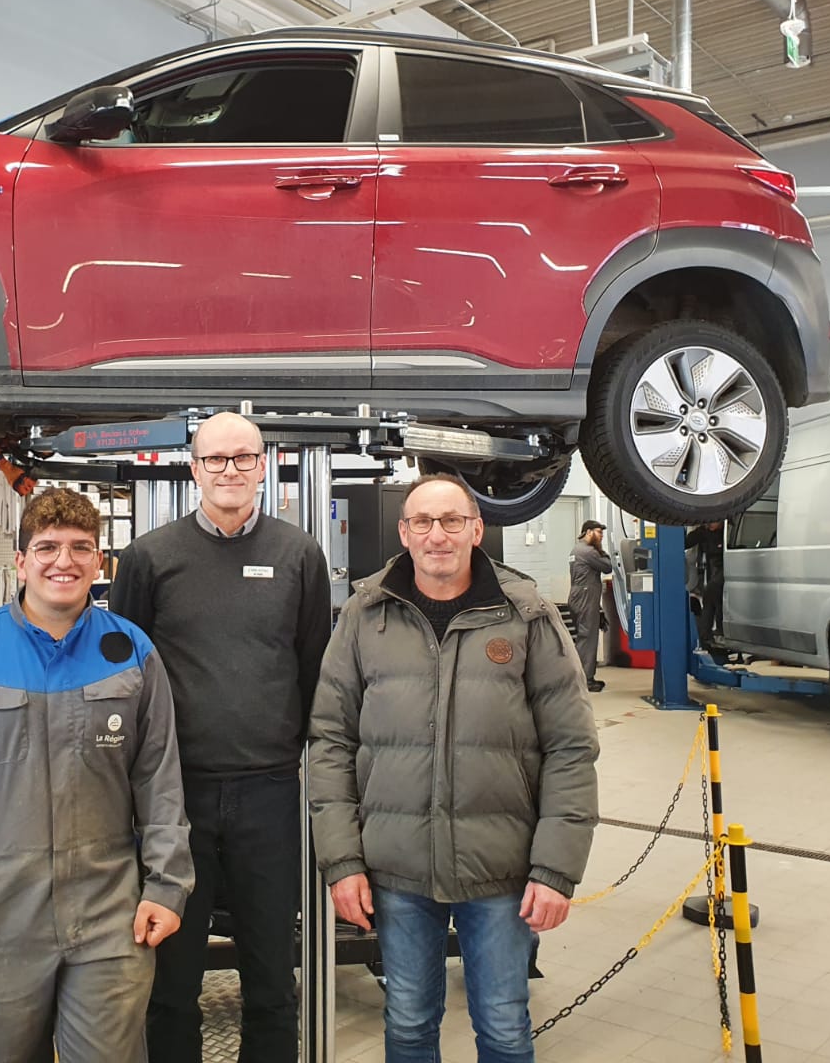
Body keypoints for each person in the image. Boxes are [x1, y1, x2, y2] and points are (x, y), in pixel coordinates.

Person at [308, 474, 600, 1063]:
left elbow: (571, 747)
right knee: (410, 1023)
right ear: (404, 532)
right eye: (422, 522)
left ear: (476, 529)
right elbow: (330, 742)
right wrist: (342, 862)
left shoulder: (527, 616)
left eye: (450, 521)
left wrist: (554, 869)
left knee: (503, 1026)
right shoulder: (366, 617)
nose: (436, 535)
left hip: (502, 871)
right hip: (397, 870)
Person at [0, 487, 193, 1063]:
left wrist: (166, 885)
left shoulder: (131, 652)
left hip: (110, 910)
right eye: (47, 547)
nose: (64, 561)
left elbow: (159, 778)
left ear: (99, 562)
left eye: (81, 548)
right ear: (21, 561)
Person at [110, 411, 332, 1062]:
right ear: (193, 466)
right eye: (215, 459)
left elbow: (314, 667)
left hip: (269, 795)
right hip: (176, 799)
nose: (229, 470)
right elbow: (126, 680)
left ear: (265, 464)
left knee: (270, 978)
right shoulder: (150, 558)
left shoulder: (299, 555)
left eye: (243, 457)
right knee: (172, 983)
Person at [567, 520, 612, 693]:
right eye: (598, 532)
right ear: (588, 532)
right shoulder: (588, 551)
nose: (601, 536)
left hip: (580, 595)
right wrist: (602, 550)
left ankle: (582, 677)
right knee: (587, 638)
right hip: (585, 596)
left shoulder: (576, 549)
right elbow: (607, 566)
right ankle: (585, 679)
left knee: (584, 637)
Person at [684, 522, 726, 647]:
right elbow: (686, 542)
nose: (709, 524)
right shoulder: (703, 532)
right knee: (710, 598)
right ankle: (706, 637)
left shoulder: (728, 530)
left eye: (713, 521)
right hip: (714, 571)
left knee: (714, 593)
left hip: (727, 567)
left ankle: (719, 632)